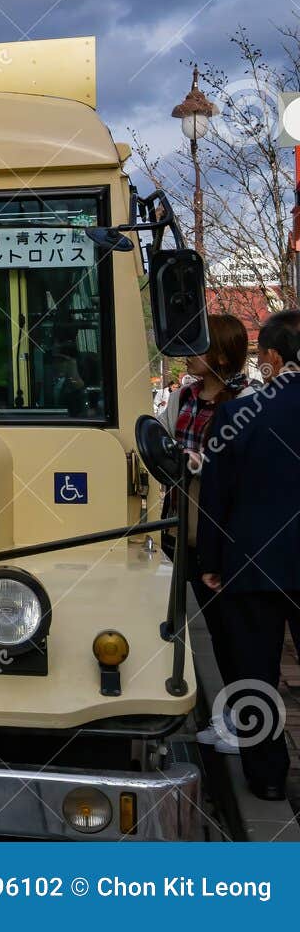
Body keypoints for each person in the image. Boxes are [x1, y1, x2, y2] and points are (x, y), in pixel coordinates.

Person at [197, 309, 300, 800]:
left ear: (276, 358)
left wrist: (212, 563)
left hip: (253, 562)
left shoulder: (239, 414)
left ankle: (268, 776)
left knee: (254, 673)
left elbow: (216, 498)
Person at [159, 313, 259, 754]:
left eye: (199, 345)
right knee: (189, 625)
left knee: (235, 631)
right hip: (181, 526)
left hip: (222, 534)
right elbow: (157, 440)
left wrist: (201, 466)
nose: (189, 353)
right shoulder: (184, 396)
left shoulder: (247, 401)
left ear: (220, 352)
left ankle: (243, 722)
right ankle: (227, 716)